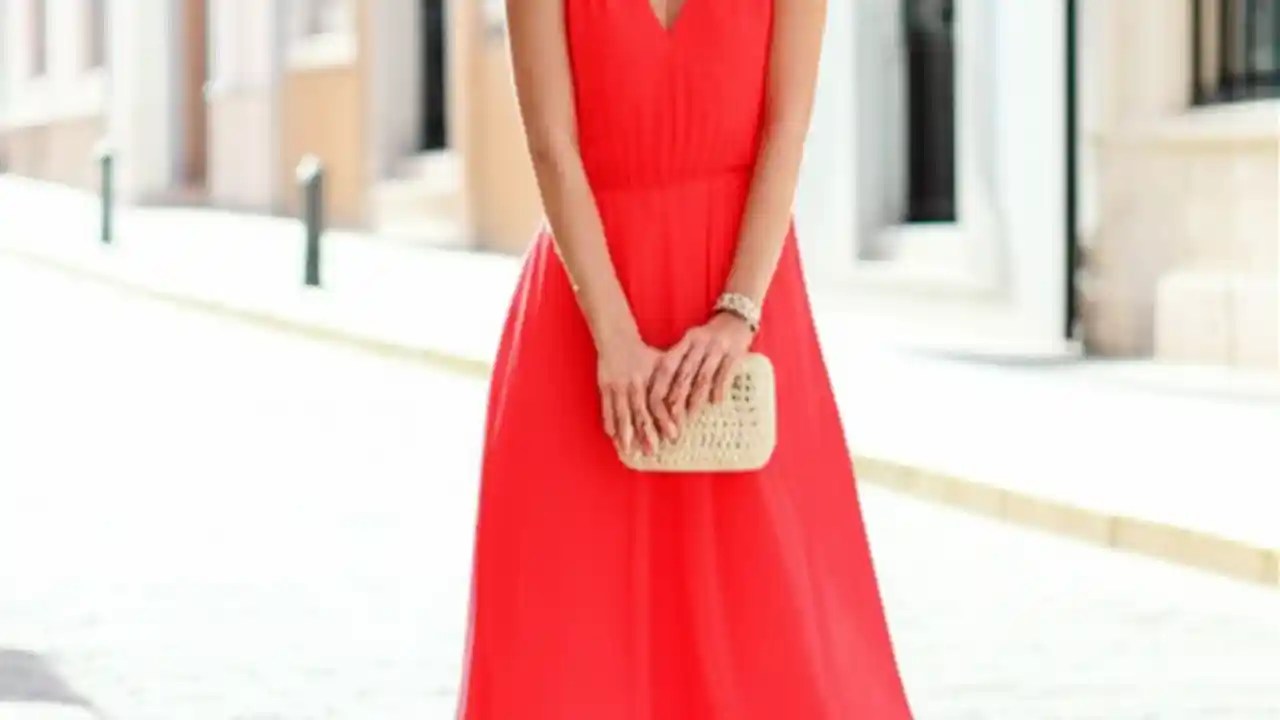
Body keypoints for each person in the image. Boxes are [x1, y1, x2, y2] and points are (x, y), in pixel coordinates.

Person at [455, 0, 914, 717]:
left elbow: (784, 127)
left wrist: (737, 314)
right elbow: (552, 144)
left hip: (724, 314)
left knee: (761, 613)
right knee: (580, 623)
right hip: (592, 319)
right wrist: (620, 339)